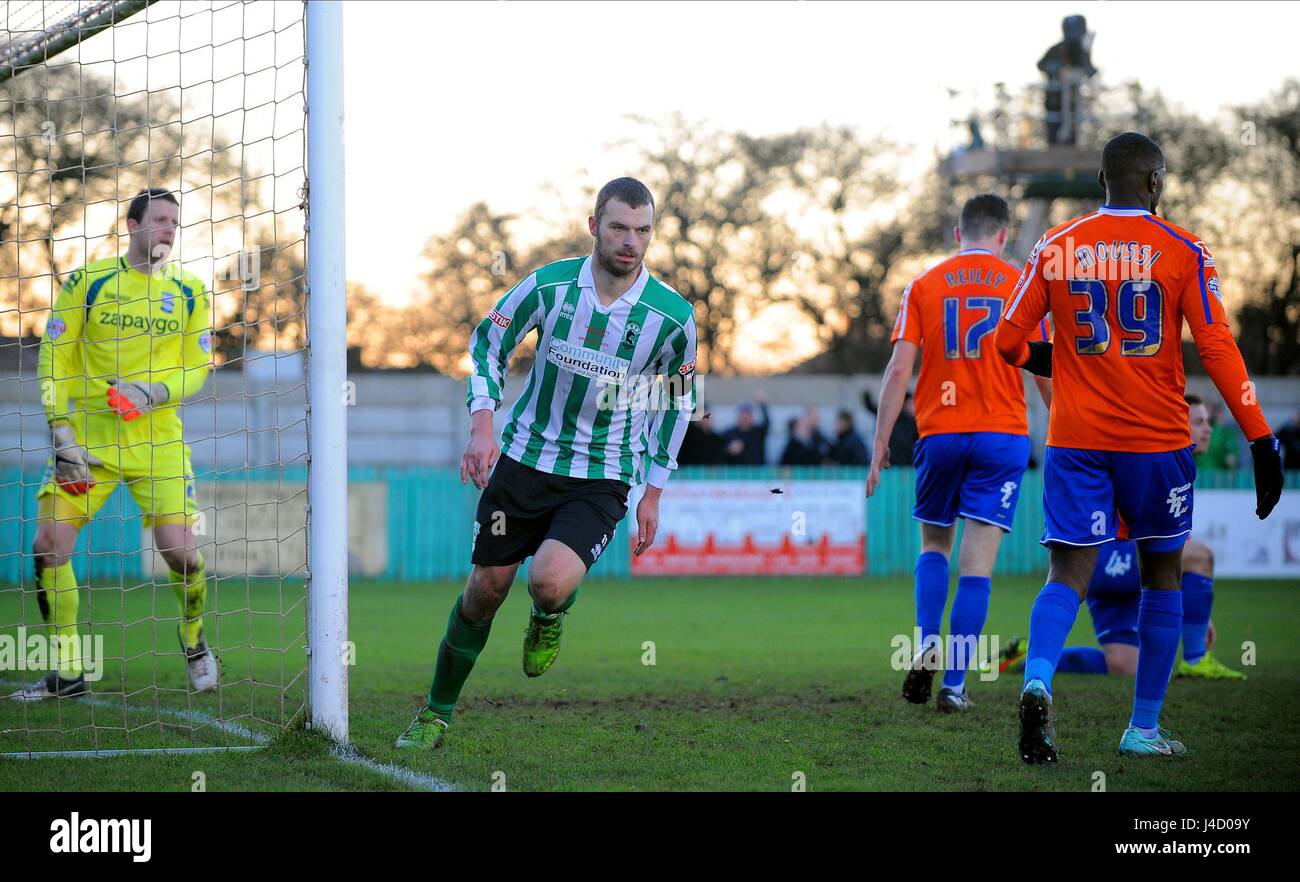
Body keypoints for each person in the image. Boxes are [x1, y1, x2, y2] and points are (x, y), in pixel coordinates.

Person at [996, 132, 1283, 762]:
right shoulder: (1183, 250)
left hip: (1075, 441)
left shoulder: (1055, 246)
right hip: (1157, 442)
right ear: (1153, 182)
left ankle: (1038, 678)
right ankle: (1143, 728)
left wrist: (1053, 357)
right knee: (1162, 572)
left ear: (1101, 182)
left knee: (1067, 574)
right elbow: (1215, 347)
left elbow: (1006, 342)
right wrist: (1260, 436)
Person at [395, 177, 698, 750]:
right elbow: (488, 342)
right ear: (594, 226)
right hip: (525, 463)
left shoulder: (673, 318)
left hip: (603, 475)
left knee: (549, 584)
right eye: (618, 227)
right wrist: (482, 423)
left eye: (642, 231)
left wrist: (654, 490)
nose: (630, 242)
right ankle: (436, 713)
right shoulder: (549, 286)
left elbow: (679, 401)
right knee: (485, 589)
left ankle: (549, 615)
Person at [13, 188, 217, 700]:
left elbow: (199, 365)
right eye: (160, 220)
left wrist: (154, 391)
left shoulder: (191, 291)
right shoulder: (88, 281)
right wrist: (60, 433)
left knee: (183, 556)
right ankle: (67, 670)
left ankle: (193, 640)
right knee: (49, 544)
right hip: (87, 447)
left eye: (175, 222)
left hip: (159, 448)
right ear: (132, 225)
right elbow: (53, 359)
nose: (169, 229)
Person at [868, 194, 1052, 713]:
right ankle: (954, 684)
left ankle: (927, 638)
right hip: (1002, 435)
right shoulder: (1021, 283)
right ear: (1003, 236)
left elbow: (899, 370)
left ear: (957, 234)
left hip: (940, 433)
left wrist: (881, 442)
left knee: (934, 545)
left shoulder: (923, 286)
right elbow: (1043, 369)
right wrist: (1064, 434)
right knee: (977, 568)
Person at [1000, 395, 1243, 680]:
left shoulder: (1180, 467)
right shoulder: (1157, 460)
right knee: (1202, 556)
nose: (1208, 429)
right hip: (1108, 555)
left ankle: (1029, 656)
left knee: (1124, 664)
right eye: (1198, 422)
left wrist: (1196, 617)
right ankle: (1196, 661)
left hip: (1119, 570)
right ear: (1176, 423)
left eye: (1208, 422)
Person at [722, 400, 769, 465]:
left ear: (752, 417)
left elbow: (767, 423)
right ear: (738, 417)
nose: (745, 419)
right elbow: (719, 453)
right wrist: (729, 450)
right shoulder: (729, 433)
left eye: (748, 416)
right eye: (743, 416)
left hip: (756, 472)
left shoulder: (758, 432)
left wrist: (762, 405)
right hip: (735, 472)